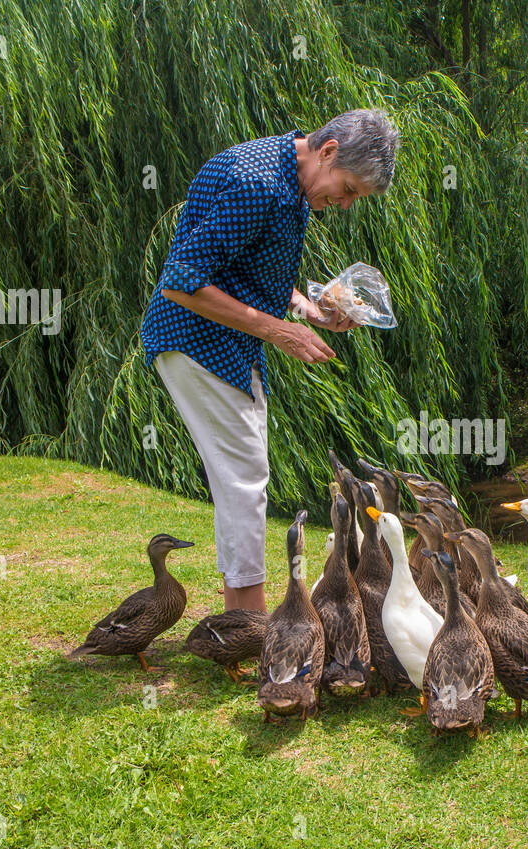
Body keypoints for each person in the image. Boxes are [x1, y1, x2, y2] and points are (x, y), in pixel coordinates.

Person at [141, 109, 400, 612]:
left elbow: (256, 273)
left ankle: (242, 617)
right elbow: (181, 281)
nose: (345, 205)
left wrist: (311, 310)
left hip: (232, 345)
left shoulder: (295, 185)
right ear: (328, 151)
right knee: (244, 476)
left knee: (246, 475)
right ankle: (250, 623)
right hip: (192, 338)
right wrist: (280, 331)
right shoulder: (255, 181)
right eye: (348, 189)